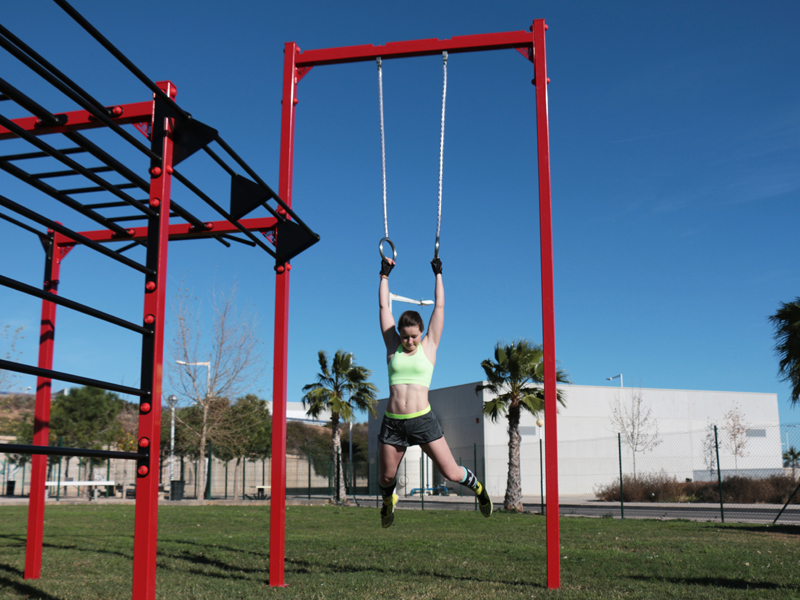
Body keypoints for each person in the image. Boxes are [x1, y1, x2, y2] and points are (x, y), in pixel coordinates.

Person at [377, 255, 492, 528]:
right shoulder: (392, 346)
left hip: (423, 420)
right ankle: (388, 502)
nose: (408, 341)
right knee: (385, 478)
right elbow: (384, 305)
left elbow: (439, 305)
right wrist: (384, 276)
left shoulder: (429, 346)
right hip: (393, 422)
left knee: (451, 473)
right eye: (405, 336)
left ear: (421, 333)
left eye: (413, 336)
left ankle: (478, 488)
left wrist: (438, 274)